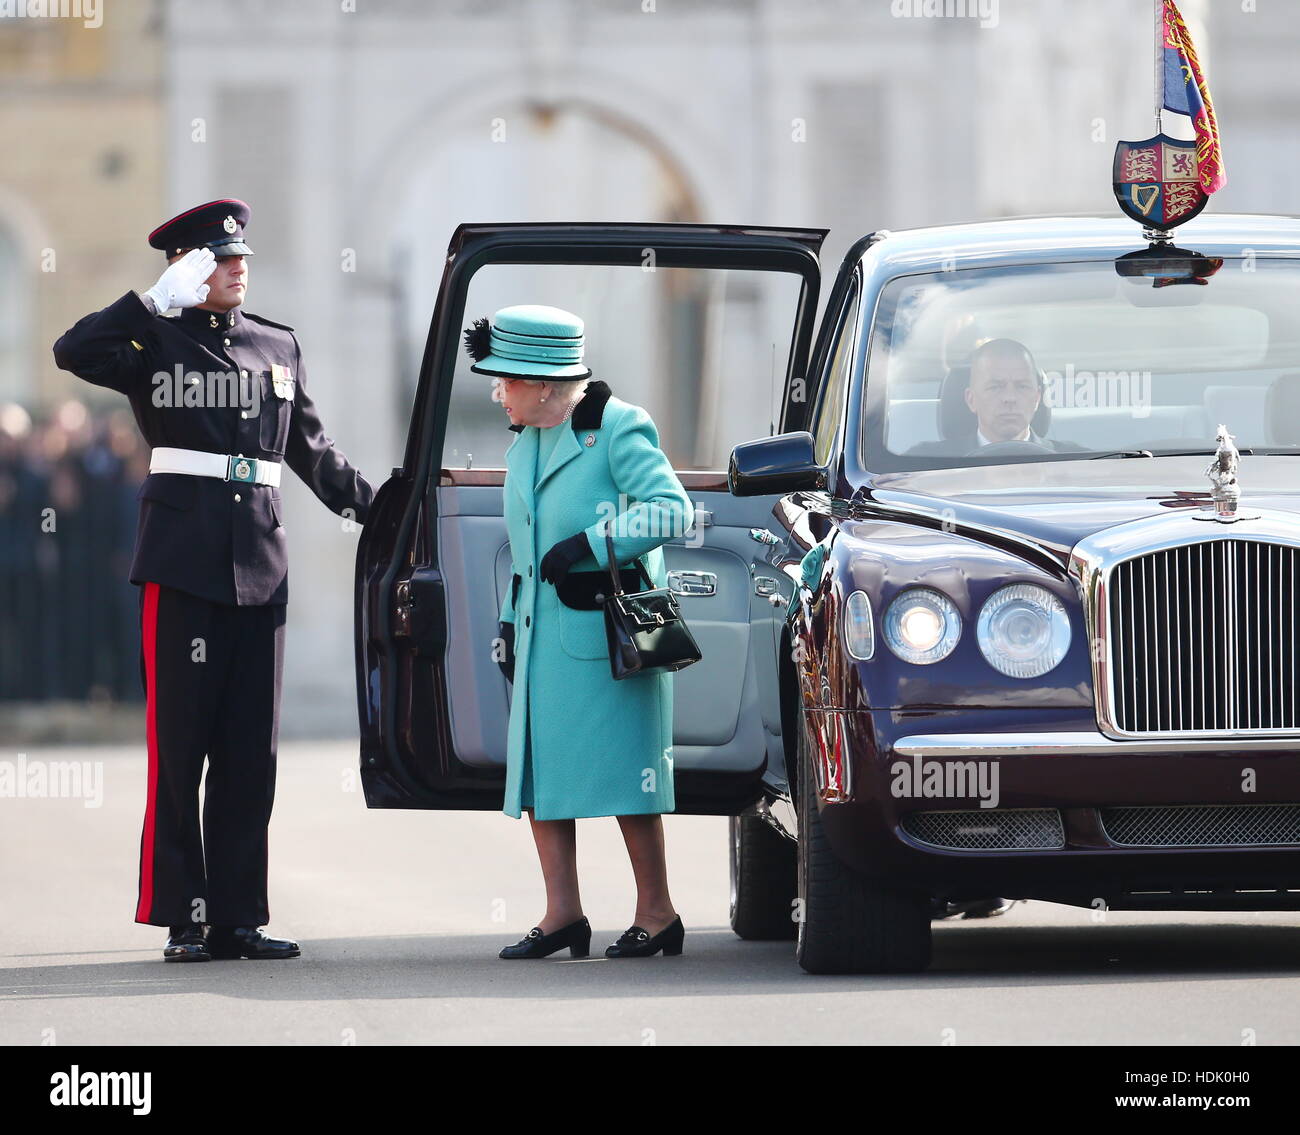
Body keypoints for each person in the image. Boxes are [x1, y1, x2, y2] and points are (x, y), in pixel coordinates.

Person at [52, 199, 374, 962]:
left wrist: (381, 507)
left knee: (247, 754)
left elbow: (313, 453)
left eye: (241, 260)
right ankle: (185, 915)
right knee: (180, 750)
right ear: (185, 267)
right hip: (183, 563)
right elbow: (72, 350)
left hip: (261, 566)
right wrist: (149, 302)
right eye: (218, 259)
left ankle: (238, 915)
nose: (237, 268)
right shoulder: (151, 340)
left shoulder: (277, 346)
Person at [464, 304, 693, 960]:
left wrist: (593, 542)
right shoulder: (526, 441)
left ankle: (658, 913)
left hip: (607, 642)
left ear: (540, 384)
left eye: (503, 379)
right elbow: (527, 548)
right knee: (542, 775)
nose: (495, 390)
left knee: (629, 778)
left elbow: (672, 510)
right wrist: (509, 620)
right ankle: (563, 913)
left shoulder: (617, 427)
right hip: (543, 638)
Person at [909, 338, 1088, 456]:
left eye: (1022, 386)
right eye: (995, 387)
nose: (1009, 398)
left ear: (1037, 398)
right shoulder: (925, 464)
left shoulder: (1074, 462)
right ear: (971, 400)